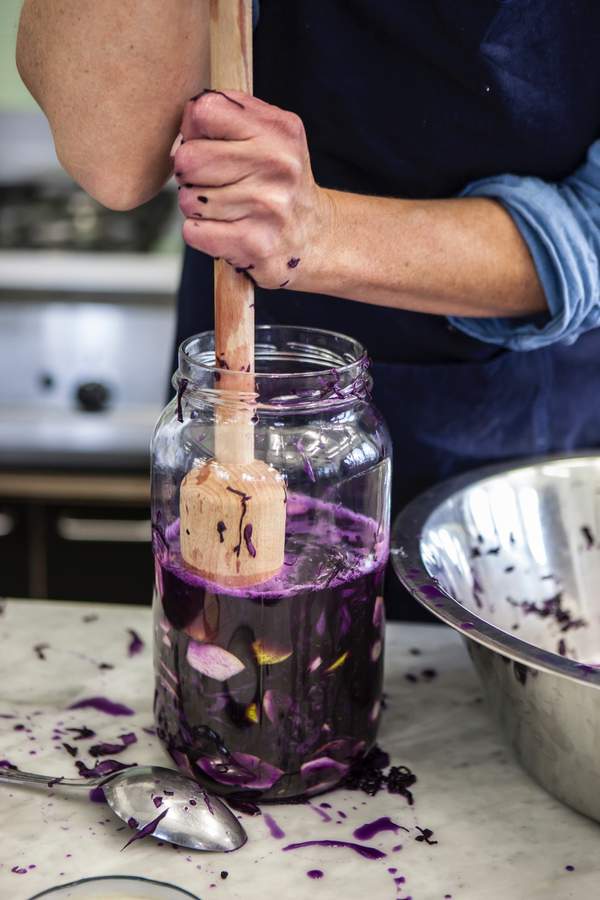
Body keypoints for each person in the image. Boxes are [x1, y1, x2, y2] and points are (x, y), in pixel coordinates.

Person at [16, 2, 600, 619]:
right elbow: (112, 151)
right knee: (230, 668)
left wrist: (319, 233)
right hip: (238, 362)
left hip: (522, 429)